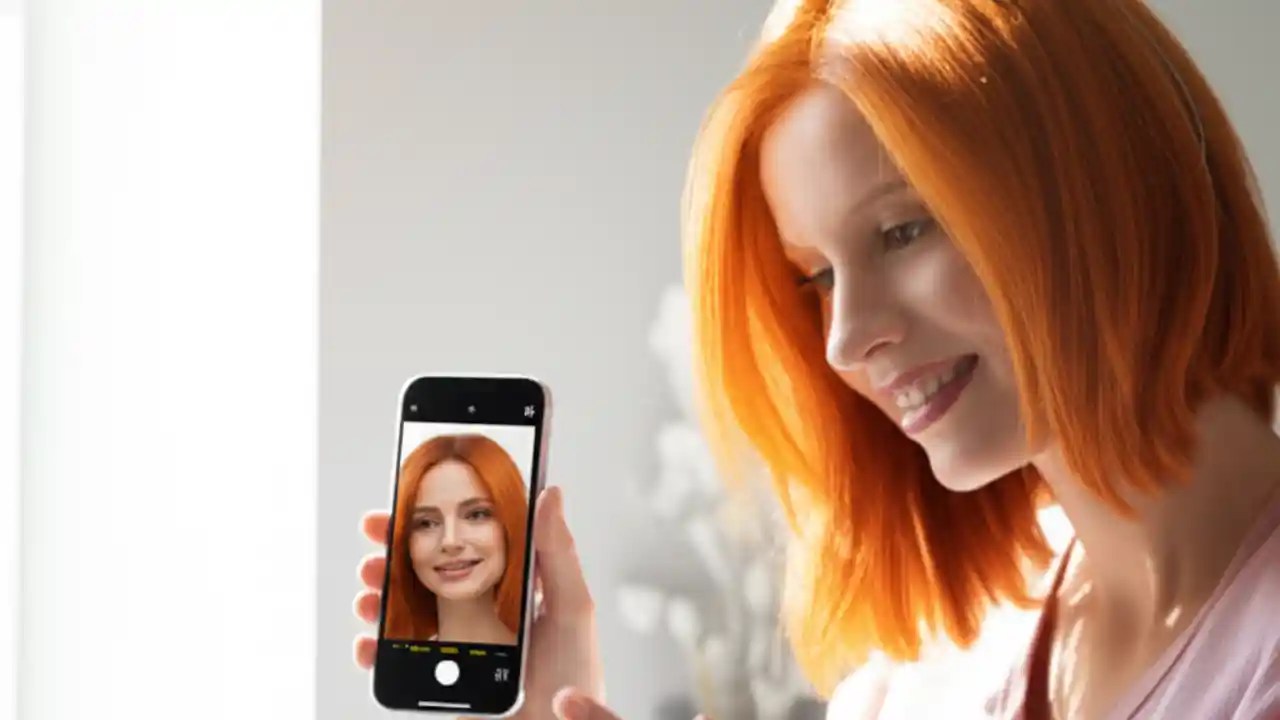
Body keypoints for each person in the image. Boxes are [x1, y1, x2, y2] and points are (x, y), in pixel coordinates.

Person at [353, 0, 1280, 717]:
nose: (845, 338)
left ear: (1101, 183)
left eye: (902, 230)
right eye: (817, 277)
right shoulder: (934, 664)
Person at [380, 433, 529, 646]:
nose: (450, 541)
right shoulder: (400, 665)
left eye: (477, 514)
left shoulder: (547, 659)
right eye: (426, 523)